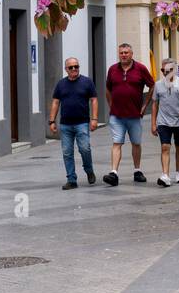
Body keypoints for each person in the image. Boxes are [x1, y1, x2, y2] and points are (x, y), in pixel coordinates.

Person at [103, 43, 154, 186]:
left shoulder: (141, 69)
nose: (124, 55)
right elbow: (108, 89)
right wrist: (111, 105)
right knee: (116, 143)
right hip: (117, 116)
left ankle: (137, 171)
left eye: (126, 52)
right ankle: (114, 173)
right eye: (121, 53)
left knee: (136, 143)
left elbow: (152, 85)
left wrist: (144, 106)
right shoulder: (112, 69)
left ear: (132, 54)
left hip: (134, 115)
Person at [49, 58, 98, 190]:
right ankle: (71, 179)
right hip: (65, 125)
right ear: (66, 69)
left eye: (76, 66)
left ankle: (89, 170)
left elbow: (94, 100)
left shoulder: (87, 82)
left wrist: (94, 119)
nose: (74, 69)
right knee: (67, 153)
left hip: (82, 123)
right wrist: (52, 121)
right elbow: (55, 102)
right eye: (70, 67)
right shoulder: (61, 84)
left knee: (85, 149)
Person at [151, 57, 179, 186]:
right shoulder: (158, 85)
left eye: (169, 70)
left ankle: (178, 172)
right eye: (164, 70)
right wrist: (153, 123)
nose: (166, 72)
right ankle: (165, 175)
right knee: (165, 147)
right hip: (163, 121)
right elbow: (154, 105)